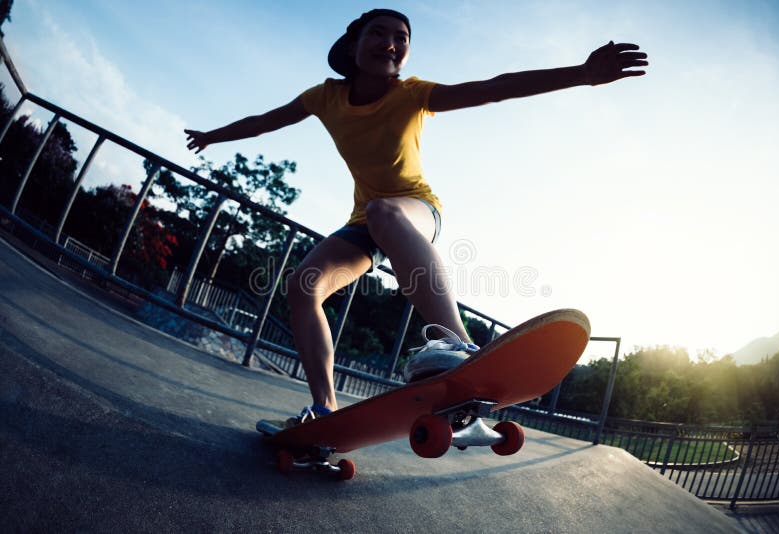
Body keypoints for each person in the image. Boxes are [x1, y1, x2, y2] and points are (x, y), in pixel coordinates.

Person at [185, 8, 647, 427]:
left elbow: (493, 88)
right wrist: (212, 135)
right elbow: (267, 120)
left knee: (386, 210)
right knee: (303, 286)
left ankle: (460, 347)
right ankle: (325, 408)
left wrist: (582, 73)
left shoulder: (413, 94)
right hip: (364, 222)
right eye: (379, 33)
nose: (391, 42)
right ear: (353, 46)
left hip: (416, 210)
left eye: (401, 37)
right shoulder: (323, 98)